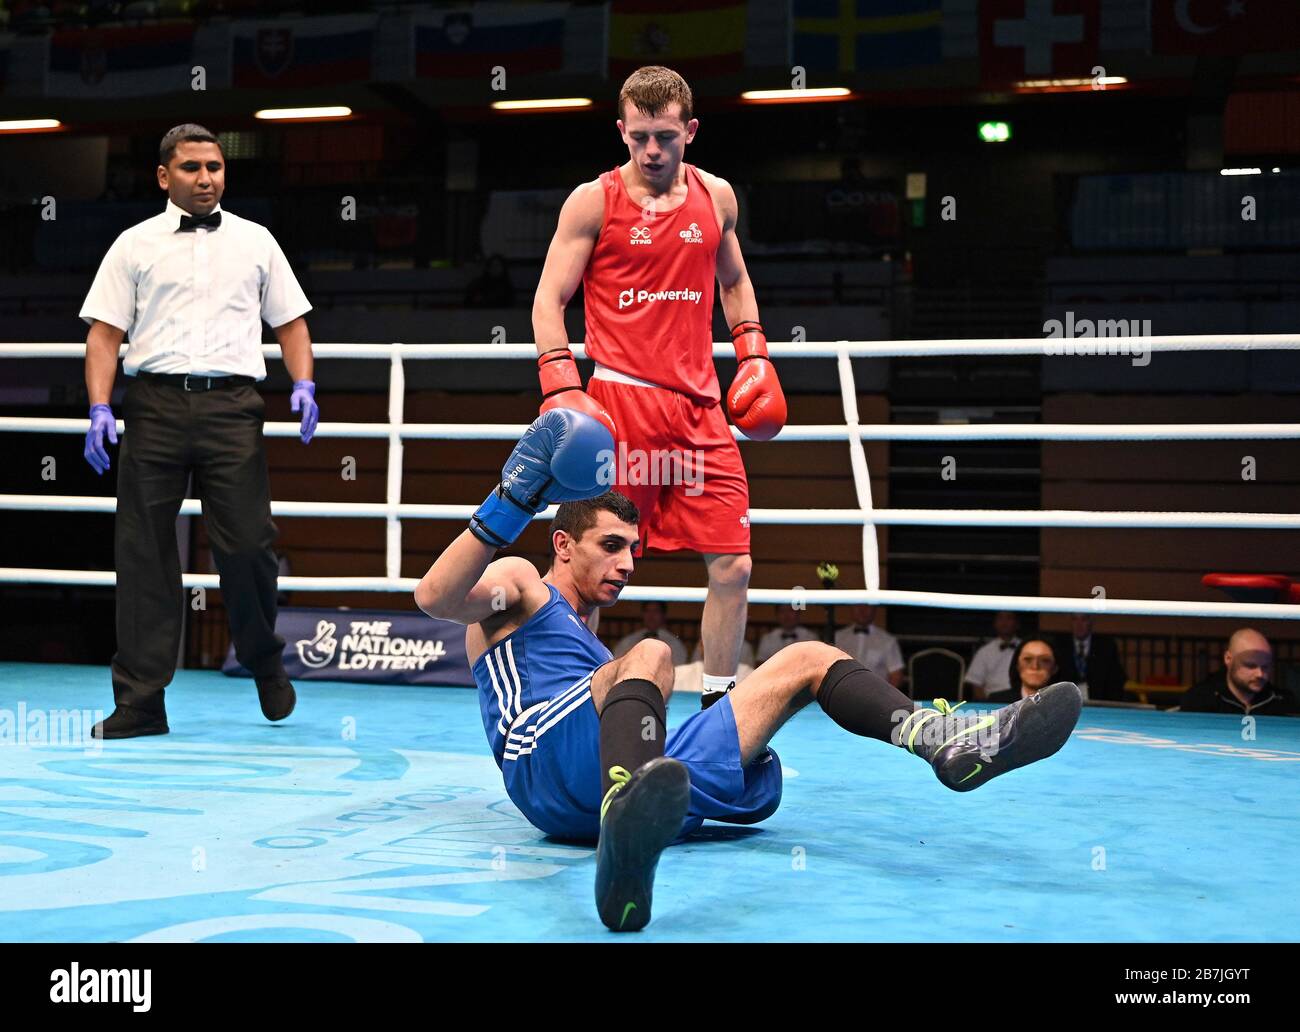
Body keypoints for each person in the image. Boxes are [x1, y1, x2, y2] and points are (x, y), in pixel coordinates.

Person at [414, 411, 1084, 932]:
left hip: (608, 763)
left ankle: (946, 744)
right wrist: (509, 501)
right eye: (610, 546)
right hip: (545, 771)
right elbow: (436, 599)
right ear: (562, 544)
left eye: (635, 551)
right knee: (652, 655)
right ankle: (626, 823)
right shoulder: (521, 585)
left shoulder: (592, 639)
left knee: (805, 661)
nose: (626, 564)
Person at [531, 65, 787, 712]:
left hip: (700, 412)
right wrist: (560, 382)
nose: (652, 151)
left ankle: (718, 713)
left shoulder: (717, 198)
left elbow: (733, 281)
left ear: (690, 131)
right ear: (622, 131)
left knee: (734, 565)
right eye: (640, 136)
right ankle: (568, 706)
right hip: (619, 406)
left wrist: (752, 349)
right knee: (589, 572)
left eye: (665, 137)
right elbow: (548, 299)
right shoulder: (593, 201)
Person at [81, 123, 318, 738]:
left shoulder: (257, 241)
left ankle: (265, 662)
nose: (207, 177)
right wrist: (100, 407)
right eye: (192, 167)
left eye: (214, 165)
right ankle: (140, 702)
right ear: (165, 176)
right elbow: (104, 335)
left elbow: (291, 323)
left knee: (247, 546)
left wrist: (303, 383)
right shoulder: (133, 245)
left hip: (233, 406)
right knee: (142, 553)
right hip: (153, 404)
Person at [1179, 628, 1299, 716]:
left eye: (1265, 667)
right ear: (1228, 659)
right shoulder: (1199, 700)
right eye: (1250, 666)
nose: (1260, 674)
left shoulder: (1283, 702)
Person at [1056, 613, 1128, 702]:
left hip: (1100, 702)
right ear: (1070, 622)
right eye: (1075, 619)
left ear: (1091, 621)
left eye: (1084, 619)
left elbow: (1116, 678)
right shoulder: (1059, 645)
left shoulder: (1107, 646)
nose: (1079, 624)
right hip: (1066, 702)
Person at [833, 604, 904, 688]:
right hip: (842, 695)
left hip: (876, 696)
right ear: (851, 608)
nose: (862, 610)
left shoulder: (888, 640)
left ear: (875, 609)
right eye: (858, 606)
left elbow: (896, 675)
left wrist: (884, 697)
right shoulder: (837, 637)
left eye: (867, 606)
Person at [965, 611, 1021, 700]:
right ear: (995, 623)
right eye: (1000, 618)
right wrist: (986, 706)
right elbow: (976, 685)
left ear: (1017, 623)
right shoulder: (984, 651)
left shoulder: (1026, 649)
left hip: (1021, 700)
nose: (1004, 622)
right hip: (993, 701)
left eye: (1009, 618)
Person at [614, 600, 688, 665]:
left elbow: (678, 666)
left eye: (656, 611)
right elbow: (618, 660)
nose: (651, 615)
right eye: (647, 611)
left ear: (663, 615)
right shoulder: (628, 641)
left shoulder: (674, 643)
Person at [987, 639, 1058, 704]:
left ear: (1055, 668)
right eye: (1027, 659)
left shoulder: (1066, 705)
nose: (1035, 666)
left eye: (1044, 660)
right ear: (1017, 665)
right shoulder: (995, 701)